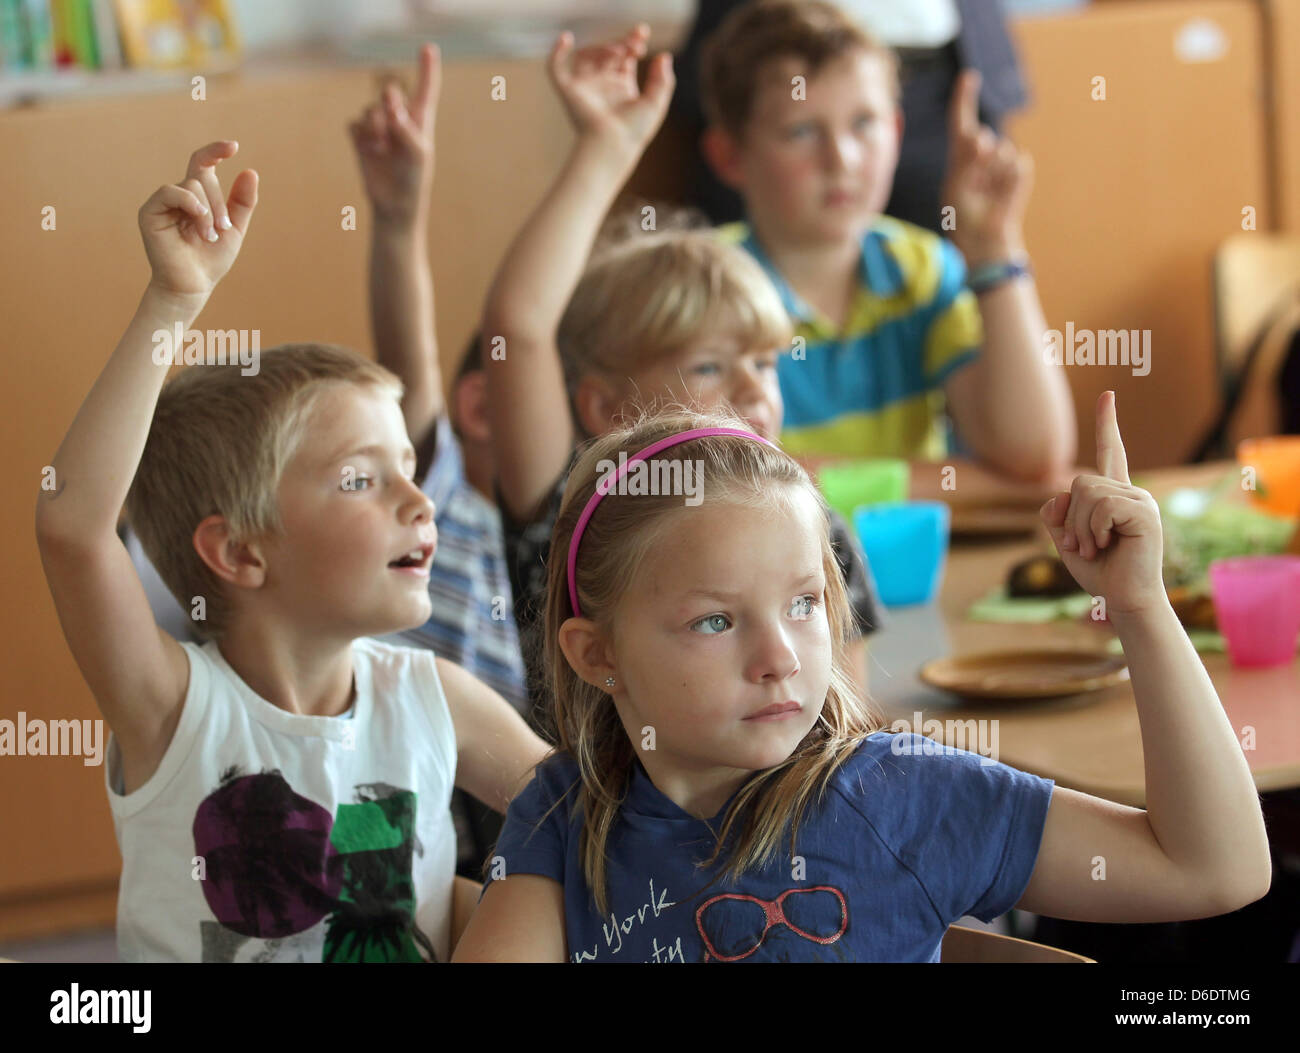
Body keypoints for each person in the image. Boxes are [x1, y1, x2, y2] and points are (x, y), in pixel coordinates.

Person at [452, 397, 1271, 962]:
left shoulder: (903, 798)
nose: (780, 655)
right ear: (597, 655)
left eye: (804, 602)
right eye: (715, 620)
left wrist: (1140, 604)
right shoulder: (566, 816)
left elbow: (1217, 869)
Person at [33, 141, 548, 962]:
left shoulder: (432, 696)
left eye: (407, 473)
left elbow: (587, 820)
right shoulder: (173, 711)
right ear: (239, 551)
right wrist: (173, 302)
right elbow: (72, 528)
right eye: (360, 480)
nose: (419, 503)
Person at [481, 25, 883, 728]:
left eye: (762, 361)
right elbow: (518, 325)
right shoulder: (576, 506)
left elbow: (845, 732)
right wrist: (606, 151)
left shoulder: (809, 521)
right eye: (708, 366)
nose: (755, 388)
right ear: (604, 404)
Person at [697, 0, 1075, 479]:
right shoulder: (706, 289)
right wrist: (972, 490)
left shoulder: (921, 268)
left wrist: (994, 253)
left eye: (864, 124)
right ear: (729, 155)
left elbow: (1033, 455)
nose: (842, 160)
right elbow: (739, 483)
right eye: (801, 131)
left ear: (896, 131)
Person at [347, 45, 531, 878]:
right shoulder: (443, 512)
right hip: (439, 850)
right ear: (481, 410)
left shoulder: (587, 531)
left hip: (526, 843)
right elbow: (411, 373)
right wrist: (396, 222)